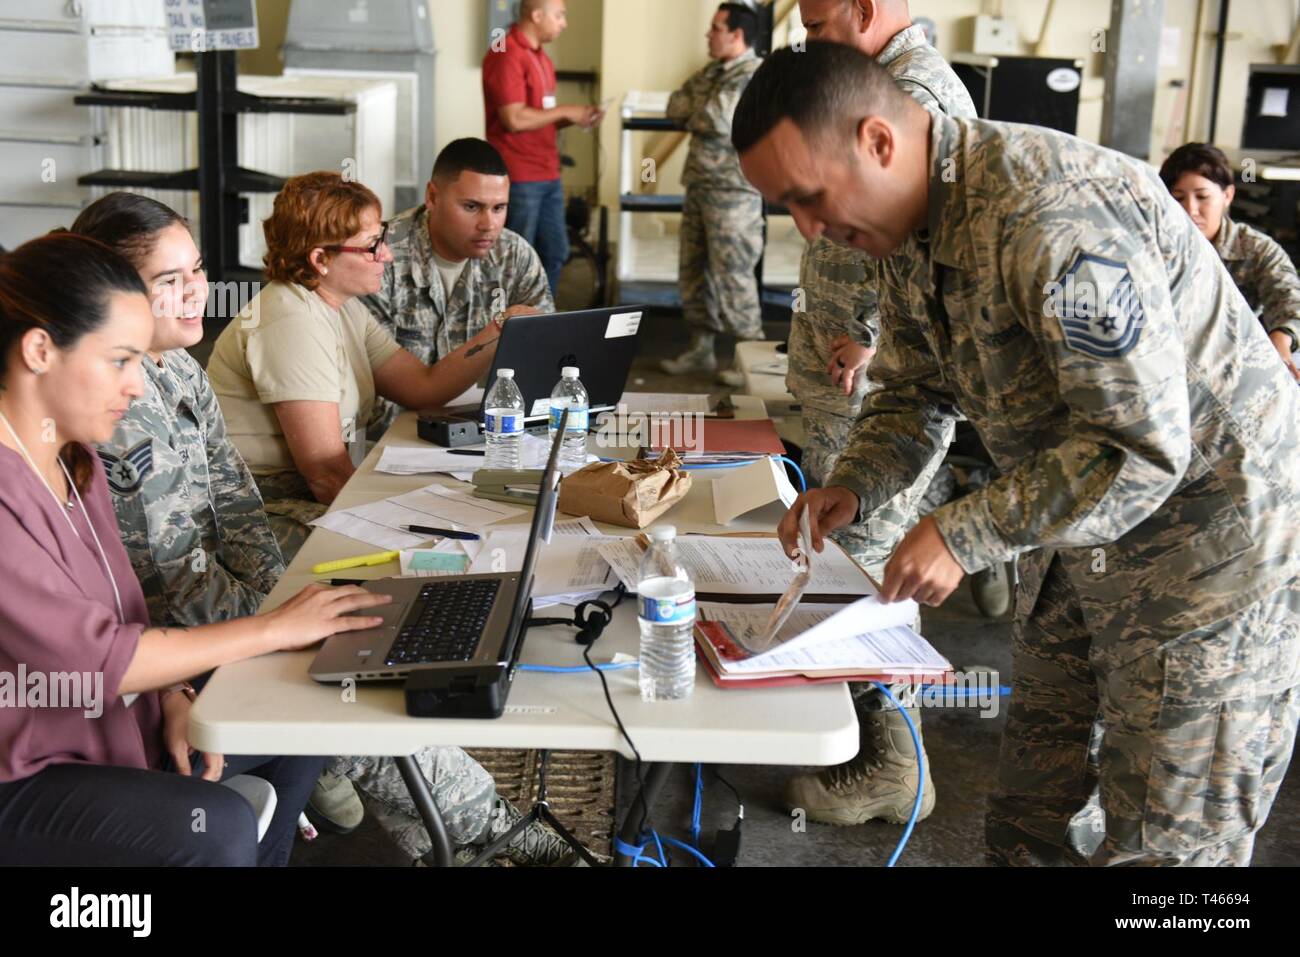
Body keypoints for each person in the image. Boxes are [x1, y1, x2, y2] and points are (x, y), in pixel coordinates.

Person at [735, 43, 1300, 866]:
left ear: (879, 142)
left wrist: (964, 532)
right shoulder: (907, 230)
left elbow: (1137, 446)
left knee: (1172, 848)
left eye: (810, 199)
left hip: (1209, 555)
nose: (812, 231)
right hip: (1078, 530)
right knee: (1031, 806)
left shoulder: (1051, 215)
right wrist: (853, 487)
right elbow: (914, 391)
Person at [74, 193, 571, 866]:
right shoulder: (121, 406)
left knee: (358, 631)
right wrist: (280, 625)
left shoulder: (179, 366)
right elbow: (177, 582)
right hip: (170, 646)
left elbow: (237, 507)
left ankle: (449, 825)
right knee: (353, 669)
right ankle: (485, 827)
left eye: (198, 270)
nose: (199, 291)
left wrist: (285, 604)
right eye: (172, 280)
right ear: (113, 291)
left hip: (219, 612)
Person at [0, 232, 392, 866]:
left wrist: (173, 692)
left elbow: (124, 611)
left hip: (111, 724)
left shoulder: (74, 461)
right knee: (215, 828)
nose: (135, 386)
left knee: (299, 717)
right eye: (120, 361)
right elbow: (100, 658)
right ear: (41, 350)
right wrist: (274, 629)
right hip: (26, 770)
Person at [778, 0, 980, 830]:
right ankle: (867, 740)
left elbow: (913, 256)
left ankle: (898, 765)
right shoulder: (874, 83)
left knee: (868, 573)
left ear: (865, 9)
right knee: (854, 551)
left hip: (874, 376)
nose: (808, 40)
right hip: (865, 385)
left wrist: (865, 336)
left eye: (819, 24)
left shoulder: (916, 97)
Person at [207, 172, 512, 560]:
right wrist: (400, 524)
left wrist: (500, 329)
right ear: (320, 259)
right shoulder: (290, 321)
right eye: (372, 245)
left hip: (307, 488)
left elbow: (421, 387)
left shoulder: (341, 306)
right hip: (264, 506)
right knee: (428, 551)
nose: (386, 254)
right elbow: (324, 473)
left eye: (382, 237)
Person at [365, 137, 552, 431]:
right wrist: (501, 328)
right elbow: (398, 389)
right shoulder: (381, 257)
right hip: (388, 438)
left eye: (499, 208)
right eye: (471, 206)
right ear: (432, 196)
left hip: (485, 432)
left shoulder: (514, 256)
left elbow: (545, 359)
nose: (488, 224)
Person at [659, 3, 764, 387]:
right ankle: (700, 347)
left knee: (733, 275)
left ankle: (747, 356)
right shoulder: (713, 73)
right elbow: (675, 106)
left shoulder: (754, 75)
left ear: (736, 35)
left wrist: (697, 111)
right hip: (700, 187)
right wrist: (699, 109)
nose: (708, 34)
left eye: (716, 28)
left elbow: (717, 120)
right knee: (693, 270)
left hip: (735, 192)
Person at [482, 0, 603, 294]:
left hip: (547, 171)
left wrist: (576, 117)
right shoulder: (506, 52)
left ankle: (536, 317)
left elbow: (538, 117)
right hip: (521, 175)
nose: (564, 23)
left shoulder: (541, 57)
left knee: (556, 252)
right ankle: (505, 325)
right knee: (514, 260)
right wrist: (565, 112)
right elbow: (513, 118)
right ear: (537, 15)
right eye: (559, 15)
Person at [1160, 142, 1300, 380]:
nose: (1190, 209)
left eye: (1202, 197)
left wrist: (1280, 340)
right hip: (1167, 360)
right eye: (1178, 198)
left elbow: (1290, 300)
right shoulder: (1155, 246)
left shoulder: (1256, 249)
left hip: (1233, 365)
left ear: (1227, 195)